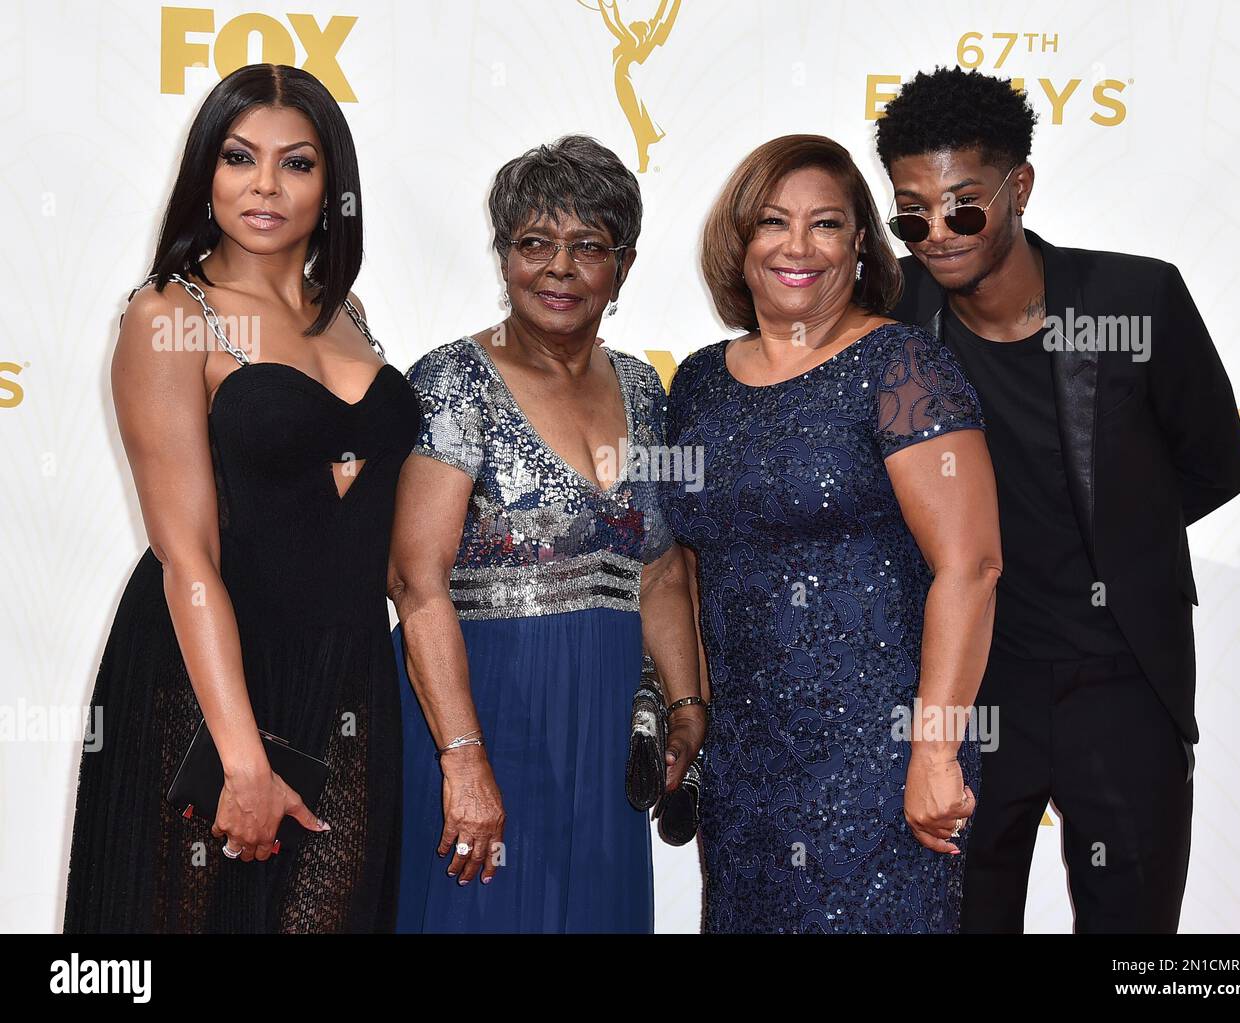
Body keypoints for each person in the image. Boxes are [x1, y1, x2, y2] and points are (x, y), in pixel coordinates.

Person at [876, 66, 1240, 933]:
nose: (937, 232)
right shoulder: (891, 309)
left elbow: (1215, 462)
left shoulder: (1136, 299)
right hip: (971, 682)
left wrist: (1116, 540)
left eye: (963, 206)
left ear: (1020, 188)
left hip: (1122, 680)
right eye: (911, 212)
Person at [61, 64, 421, 933]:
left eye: (296, 163)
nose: (264, 185)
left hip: (347, 679)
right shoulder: (168, 316)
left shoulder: (350, 311)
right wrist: (243, 755)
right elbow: (186, 553)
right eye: (237, 157)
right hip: (213, 677)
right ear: (205, 174)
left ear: (333, 185)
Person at [660, 134, 1002, 933]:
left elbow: (973, 565)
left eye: (826, 224)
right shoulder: (701, 381)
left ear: (858, 245)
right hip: (747, 768)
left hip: (881, 767)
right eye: (773, 222)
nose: (798, 247)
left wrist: (935, 752)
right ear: (738, 244)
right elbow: (686, 560)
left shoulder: (902, 366)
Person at [387, 135, 705, 933]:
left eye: (587, 247)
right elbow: (414, 580)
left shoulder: (642, 385)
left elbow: (661, 566)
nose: (558, 268)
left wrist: (688, 697)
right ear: (504, 256)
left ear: (623, 266)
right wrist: (462, 759)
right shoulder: (454, 379)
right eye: (535, 243)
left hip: (603, 727)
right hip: (484, 709)